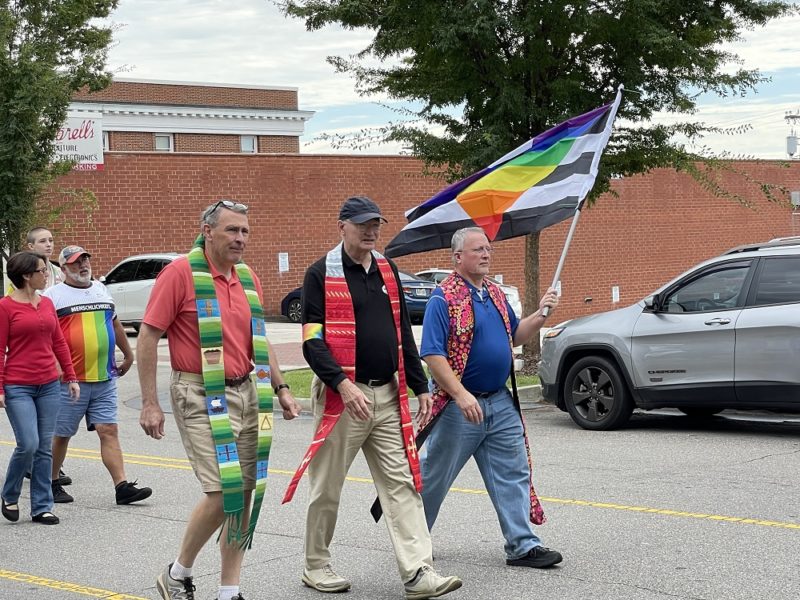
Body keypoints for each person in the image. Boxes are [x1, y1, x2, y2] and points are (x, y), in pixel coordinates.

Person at [283, 196, 462, 600]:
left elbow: (402, 335)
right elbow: (312, 340)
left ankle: (419, 572)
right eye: (362, 224)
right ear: (342, 226)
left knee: (402, 484)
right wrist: (341, 385)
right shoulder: (320, 274)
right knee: (327, 487)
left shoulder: (387, 269)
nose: (371, 231)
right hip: (342, 398)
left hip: (387, 395)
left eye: (376, 224)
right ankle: (316, 566)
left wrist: (420, 387)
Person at [138, 200, 301, 600]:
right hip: (198, 392)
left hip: (249, 391)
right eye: (232, 230)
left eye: (245, 231)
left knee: (244, 491)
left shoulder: (247, 278)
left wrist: (280, 388)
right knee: (223, 490)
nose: (240, 238)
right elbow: (147, 337)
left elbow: (259, 343)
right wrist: (148, 402)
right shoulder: (180, 274)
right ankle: (178, 573)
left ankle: (230, 591)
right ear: (207, 231)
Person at [418, 226, 563, 569]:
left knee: (513, 472)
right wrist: (461, 395)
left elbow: (514, 335)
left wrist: (543, 313)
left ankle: (522, 545)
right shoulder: (443, 298)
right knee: (435, 477)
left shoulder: (495, 294)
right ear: (457, 257)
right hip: (459, 407)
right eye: (477, 250)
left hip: (499, 401)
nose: (485, 254)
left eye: (487, 249)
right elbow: (433, 355)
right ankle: (414, 542)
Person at [42, 245, 152, 507]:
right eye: (76, 263)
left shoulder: (102, 289)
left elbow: (114, 323)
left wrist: (128, 354)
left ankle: (122, 487)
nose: (83, 266)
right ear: (64, 268)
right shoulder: (52, 296)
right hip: (71, 382)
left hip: (104, 378)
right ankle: (51, 481)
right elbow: (45, 335)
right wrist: (55, 366)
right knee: (62, 433)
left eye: (86, 260)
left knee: (109, 430)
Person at [0, 252, 79, 525]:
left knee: (44, 447)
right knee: (28, 443)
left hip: (48, 384)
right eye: (42, 271)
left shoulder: (46, 304)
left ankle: (41, 506)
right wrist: (0, 388)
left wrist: (71, 376)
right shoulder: (6, 307)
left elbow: (59, 342)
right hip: (17, 385)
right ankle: (9, 494)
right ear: (26, 276)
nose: (47, 274)